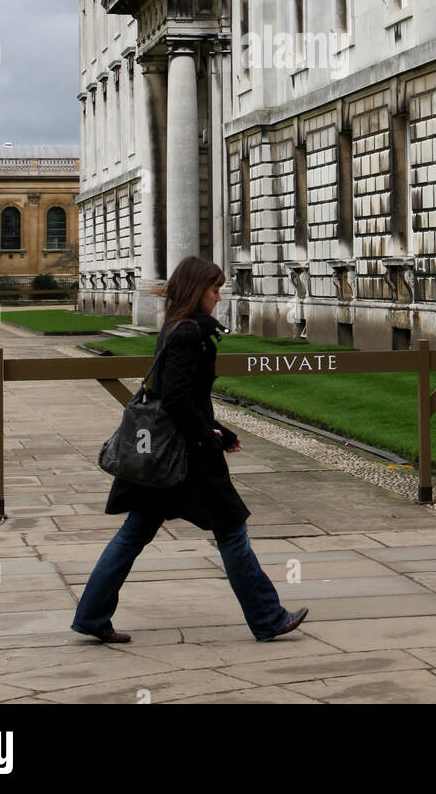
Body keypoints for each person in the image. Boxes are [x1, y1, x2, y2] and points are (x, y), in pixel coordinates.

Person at [72, 255, 308, 645]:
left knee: (134, 534)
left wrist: (221, 429)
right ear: (197, 290)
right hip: (187, 459)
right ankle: (267, 617)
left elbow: (185, 398)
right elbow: (178, 400)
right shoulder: (188, 333)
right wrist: (209, 438)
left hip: (170, 456)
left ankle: (92, 615)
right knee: (231, 530)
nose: (219, 297)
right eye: (214, 289)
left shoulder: (180, 328)